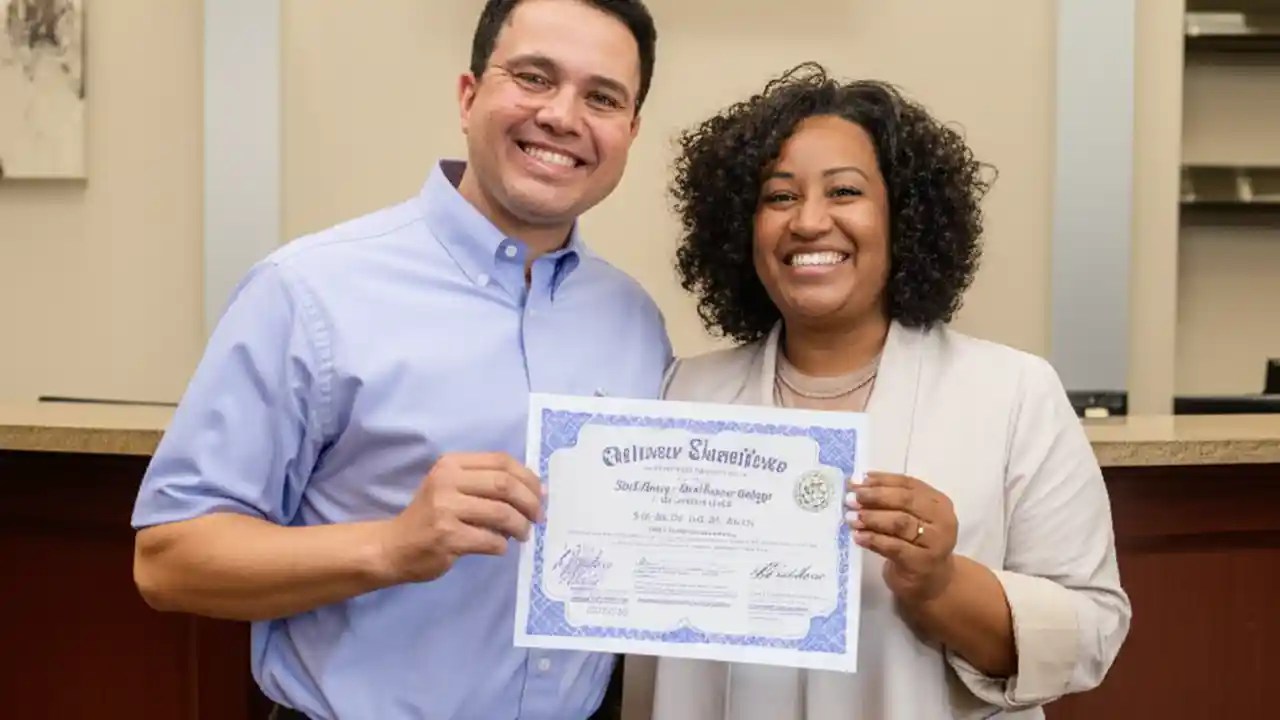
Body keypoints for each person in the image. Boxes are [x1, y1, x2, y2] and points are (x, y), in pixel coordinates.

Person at [129, 1, 668, 718]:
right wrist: (391, 546)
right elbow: (168, 562)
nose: (564, 116)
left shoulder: (634, 323)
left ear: (629, 131)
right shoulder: (307, 292)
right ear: (469, 97)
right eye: (535, 77)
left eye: (602, 97)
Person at [622, 62, 1131, 720]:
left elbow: (1091, 632)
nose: (808, 221)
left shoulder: (1013, 392)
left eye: (844, 192)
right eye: (778, 197)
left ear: (904, 219)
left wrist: (944, 587)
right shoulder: (683, 393)